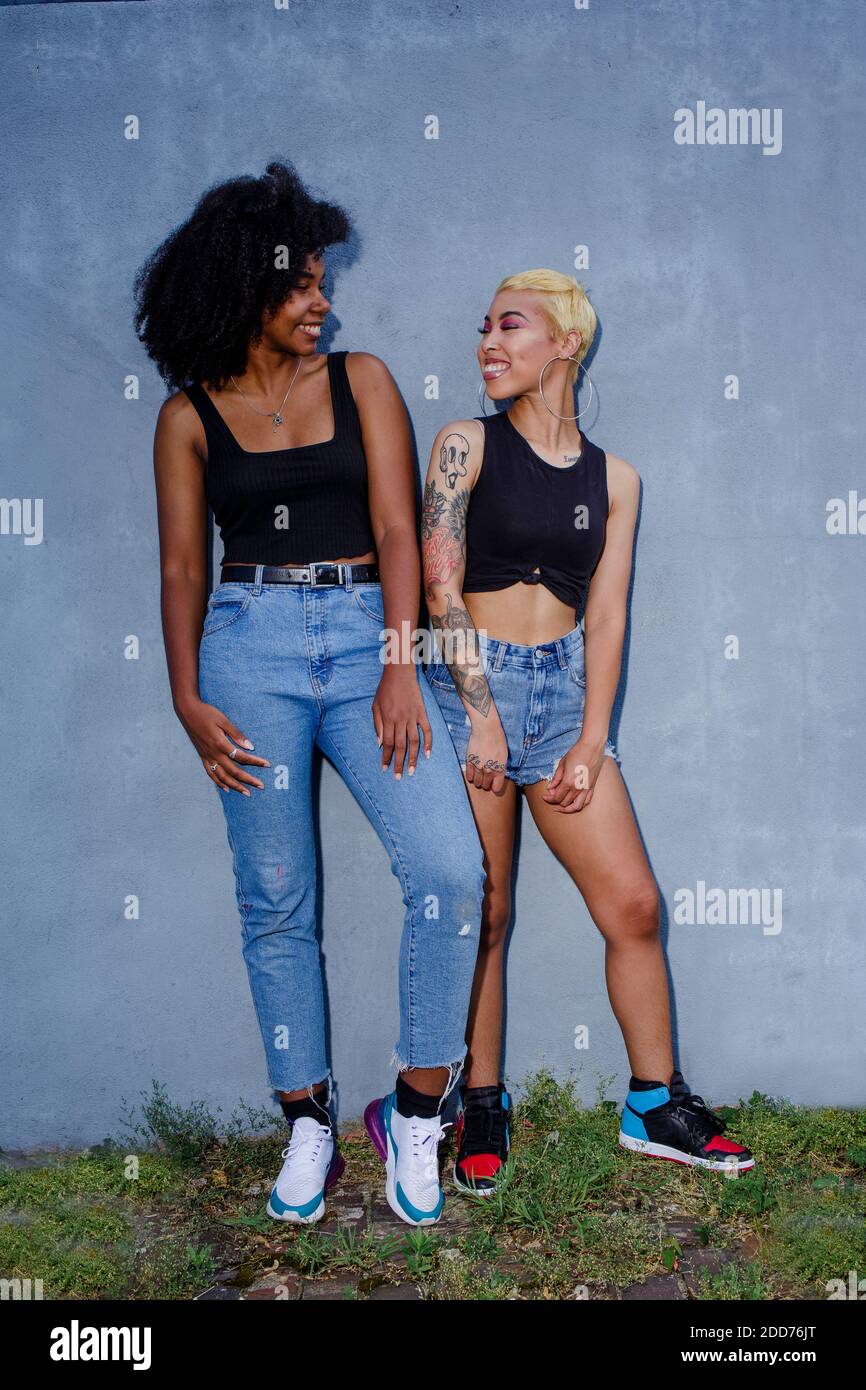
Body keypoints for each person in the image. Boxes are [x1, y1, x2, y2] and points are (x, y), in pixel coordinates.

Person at [134, 160, 486, 1226]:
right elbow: (183, 571)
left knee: (446, 870)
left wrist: (395, 661)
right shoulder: (189, 419)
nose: (321, 300)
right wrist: (186, 697)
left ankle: (414, 1112)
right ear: (246, 285)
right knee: (275, 900)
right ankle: (306, 1121)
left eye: (325, 280)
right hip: (247, 651)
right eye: (301, 283)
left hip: (362, 635)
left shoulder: (363, 379)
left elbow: (392, 528)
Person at [421, 268, 754, 1194]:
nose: (489, 343)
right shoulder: (463, 446)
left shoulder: (618, 479)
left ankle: (655, 1103)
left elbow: (607, 616)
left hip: (565, 695)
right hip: (468, 688)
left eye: (511, 327)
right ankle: (480, 1104)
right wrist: (480, 710)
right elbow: (438, 587)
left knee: (635, 907)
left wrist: (591, 737)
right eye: (483, 328)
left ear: (565, 343)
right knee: (486, 913)